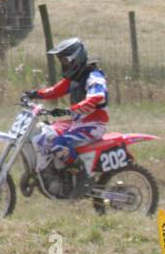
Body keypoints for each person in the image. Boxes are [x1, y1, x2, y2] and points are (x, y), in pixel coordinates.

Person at [26, 37, 107, 170]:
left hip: (93, 125)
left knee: (59, 144)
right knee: (44, 133)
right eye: (61, 61)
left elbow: (97, 96)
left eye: (65, 61)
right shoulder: (75, 77)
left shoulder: (94, 77)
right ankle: (52, 171)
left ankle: (81, 174)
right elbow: (55, 91)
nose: (63, 64)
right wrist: (34, 94)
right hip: (77, 123)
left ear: (75, 59)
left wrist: (69, 110)